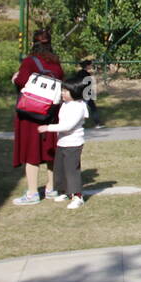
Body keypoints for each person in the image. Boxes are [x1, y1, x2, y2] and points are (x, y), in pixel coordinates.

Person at [11, 29, 64, 205]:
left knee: (31, 152)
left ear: (33, 43)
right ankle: (51, 188)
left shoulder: (29, 61)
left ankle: (33, 193)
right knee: (50, 151)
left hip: (31, 114)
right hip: (51, 112)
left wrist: (15, 79)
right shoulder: (56, 63)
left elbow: (22, 81)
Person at [39, 81, 88, 209]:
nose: (62, 93)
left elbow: (68, 126)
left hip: (74, 143)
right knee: (60, 168)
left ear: (74, 93)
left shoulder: (79, 106)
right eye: (62, 90)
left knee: (72, 170)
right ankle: (65, 192)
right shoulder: (65, 104)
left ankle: (78, 196)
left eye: (65, 91)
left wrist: (48, 128)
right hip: (62, 142)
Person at [66, 59, 103, 128]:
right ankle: (97, 123)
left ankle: (78, 123)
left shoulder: (79, 73)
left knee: (84, 108)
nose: (91, 66)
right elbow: (88, 84)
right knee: (92, 108)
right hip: (86, 93)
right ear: (87, 66)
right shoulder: (86, 74)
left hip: (81, 93)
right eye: (90, 65)